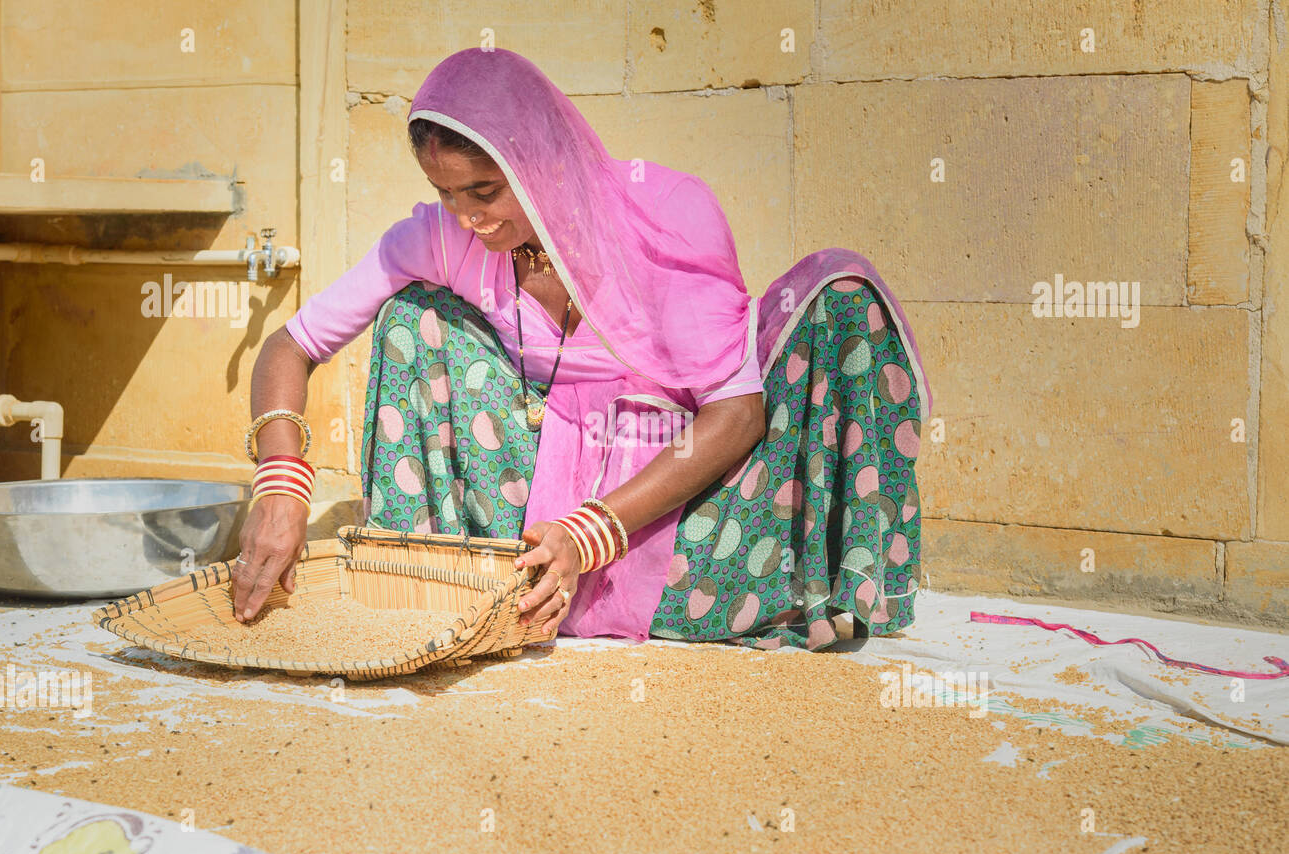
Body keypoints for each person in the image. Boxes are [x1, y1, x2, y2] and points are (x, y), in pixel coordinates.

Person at [232, 47, 933, 650]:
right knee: (414, 319)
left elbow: (739, 414)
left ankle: (785, 586)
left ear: (539, 159)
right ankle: (442, 587)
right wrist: (282, 483)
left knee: (842, 294)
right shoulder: (445, 238)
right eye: (447, 194)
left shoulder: (663, 218)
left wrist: (591, 533)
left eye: (485, 190)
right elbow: (290, 346)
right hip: (528, 496)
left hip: (686, 503)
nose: (470, 218)